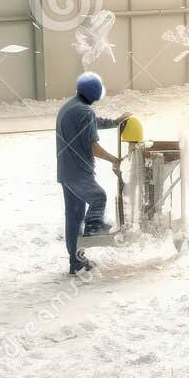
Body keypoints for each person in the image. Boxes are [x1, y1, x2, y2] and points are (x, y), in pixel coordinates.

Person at [55, 72, 124, 275]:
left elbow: (92, 121)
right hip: (79, 173)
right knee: (98, 196)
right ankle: (94, 227)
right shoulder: (83, 111)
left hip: (66, 172)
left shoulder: (70, 106)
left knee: (74, 217)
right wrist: (115, 160)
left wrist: (115, 122)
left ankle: (76, 263)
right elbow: (94, 148)